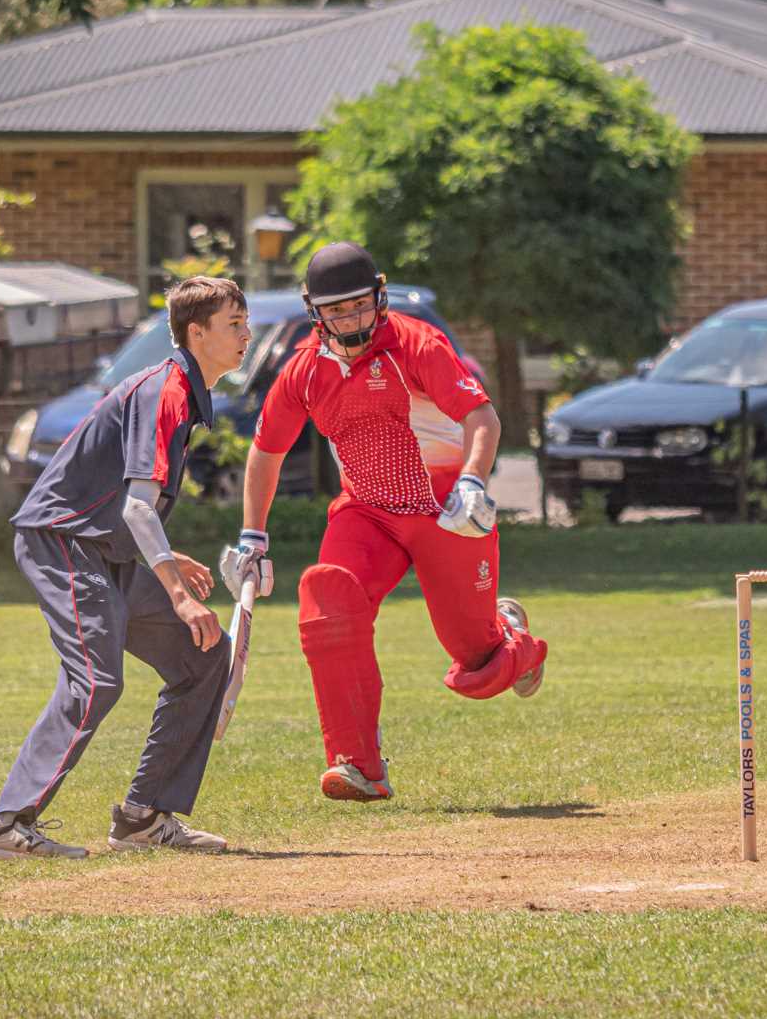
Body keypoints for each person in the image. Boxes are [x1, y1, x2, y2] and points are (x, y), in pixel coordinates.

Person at [222, 242, 547, 802]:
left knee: (477, 664)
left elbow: (481, 417)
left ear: (379, 296)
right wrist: (252, 536)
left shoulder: (416, 344)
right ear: (314, 312)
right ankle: (358, 765)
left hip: (445, 514)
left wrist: (472, 480)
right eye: (335, 311)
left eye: (358, 306)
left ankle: (510, 637)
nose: (349, 320)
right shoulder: (304, 369)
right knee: (327, 597)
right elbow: (267, 451)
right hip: (367, 511)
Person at [0, 275, 250, 859]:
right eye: (235, 324)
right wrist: (177, 591)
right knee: (96, 679)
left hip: (106, 546)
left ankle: (144, 817)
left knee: (204, 653)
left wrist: (164, 555)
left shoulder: (185, 389)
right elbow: (135, 505)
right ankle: (6, 825)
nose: (246, 335)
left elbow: (122, 498)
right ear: (195, 333)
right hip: (63, 544)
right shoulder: (166, 390)